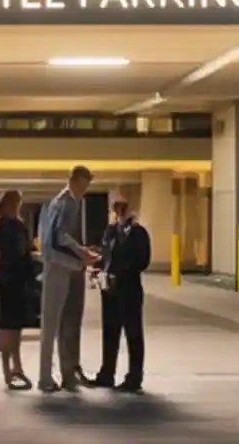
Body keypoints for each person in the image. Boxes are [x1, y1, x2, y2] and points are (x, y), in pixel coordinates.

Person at [37, 165, 100, 393]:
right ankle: (46, 377)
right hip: (59, 268)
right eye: (84, 184)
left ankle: (62, 374)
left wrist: (81, 254)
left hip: (59, 267)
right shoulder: (66, 203)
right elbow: (58, 239)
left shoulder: (59, 202)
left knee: (58, 325)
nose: (85, 189)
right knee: (54, 325)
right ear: (75, 180)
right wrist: (82, 256)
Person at [89, 198, 151, 393]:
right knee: (110, 332)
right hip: (110, 288)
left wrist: (124, 270)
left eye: (123, 207)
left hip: (129, 288)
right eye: (116, 207)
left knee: (133, 333)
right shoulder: (111, 231)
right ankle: (106, 374)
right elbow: (106, 255)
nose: (119, 210)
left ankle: (134, 377)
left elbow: (143, 259)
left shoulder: (138, 232)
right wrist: (99, 269)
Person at [0, 190, 34, 390]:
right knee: (13, 326)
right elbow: (21, 254)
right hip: (16, 281)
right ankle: (15, 367)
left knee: (7, 324)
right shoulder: (16, 226)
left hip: (6, 280)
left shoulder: (2, 225)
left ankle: (9, 368)